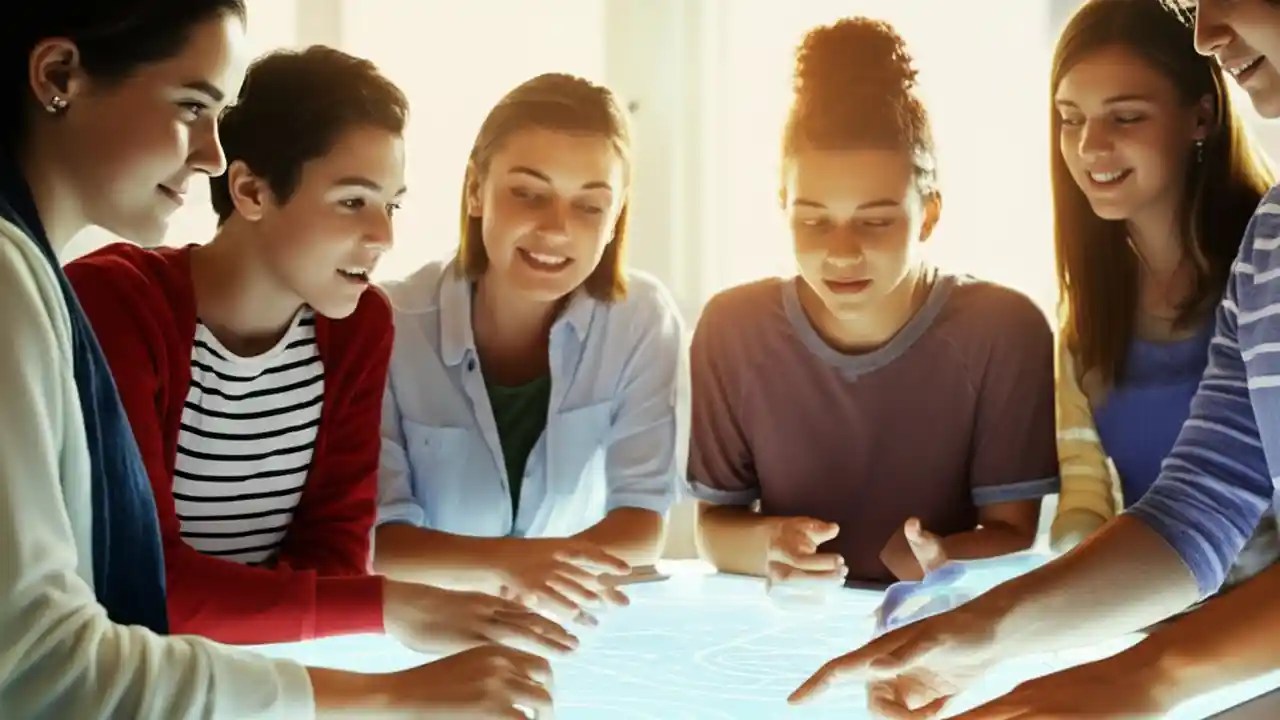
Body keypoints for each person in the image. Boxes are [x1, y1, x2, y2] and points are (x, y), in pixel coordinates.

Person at [1, 3, 552, 717]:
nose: (211, 153)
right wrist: (386, 648)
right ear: (252, 192)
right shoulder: (83, 294)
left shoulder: (357, 327)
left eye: (392, 205)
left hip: (228, 679)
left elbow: (334, 557)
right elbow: (124, 597)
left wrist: (319, 619)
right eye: (192, 106)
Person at [789, 0, 1280, 716]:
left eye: (1126, 116)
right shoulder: (1268, 243)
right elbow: (1198, 508)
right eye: (1070, 118)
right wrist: (986, 631)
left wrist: (1141, 676)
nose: (1205, 34)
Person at [687, 17, 1058, 589]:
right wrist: (772, 546)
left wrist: (938, 558)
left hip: (936, 621)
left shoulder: (1003, 331)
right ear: (783, 205)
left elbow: (1012, 531)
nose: (841, 253)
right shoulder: (732, 330)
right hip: (793, 621)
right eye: (814, 220)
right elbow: (714, 529)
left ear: (928, 215)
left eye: (876, 221)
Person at [374, 72, 686, 622]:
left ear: (616, 217)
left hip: (568, 624)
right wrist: (515, 568)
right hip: (419, 629)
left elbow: (641, 522)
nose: (556, 229)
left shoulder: (641, 319)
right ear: (476, 190)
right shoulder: (388, 323)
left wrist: (535, 578)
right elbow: (379, 543)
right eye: (528, 194)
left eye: (589, 206)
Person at [1049, 0, 1280, 586]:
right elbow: (1091, 500)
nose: (1091, 147)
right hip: (1159, 611)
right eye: (1071, 119)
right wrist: (1043, 583)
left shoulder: (1262, 266)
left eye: (1126, 118)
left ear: (1201, 117)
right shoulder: (1083, 317)